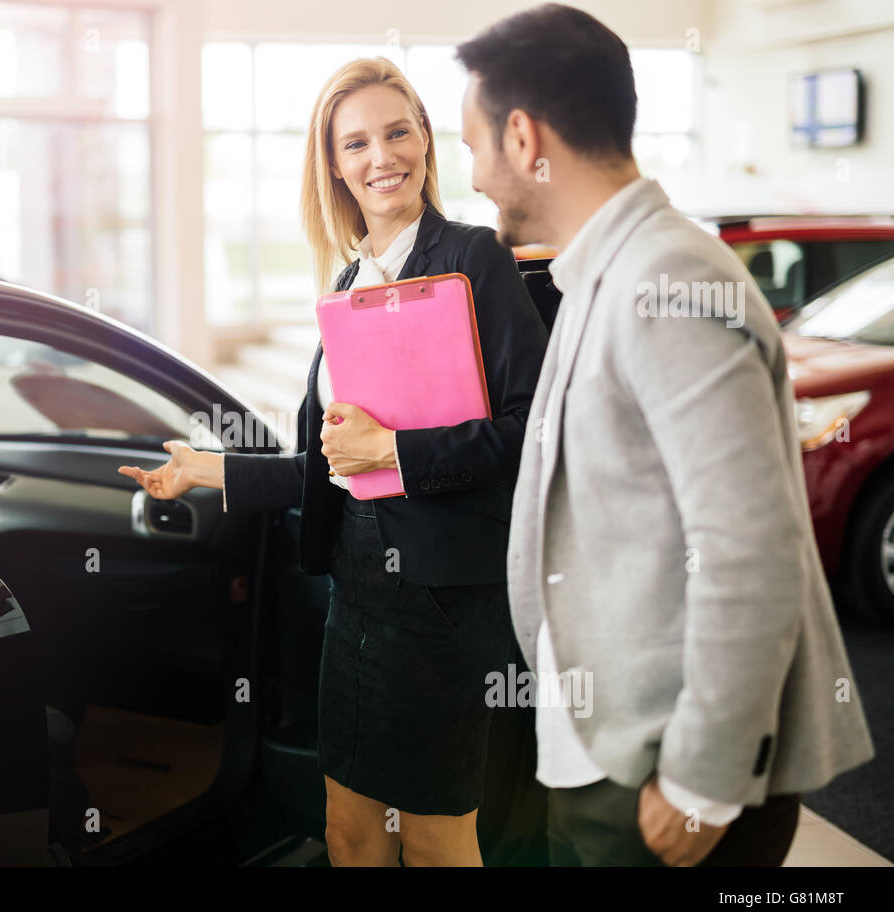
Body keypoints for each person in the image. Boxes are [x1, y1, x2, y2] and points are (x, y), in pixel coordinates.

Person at [455, 3, 875, 865]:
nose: (474, 178)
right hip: (611, 754)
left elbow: (748, 545)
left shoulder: (668, 279)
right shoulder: (605, 271)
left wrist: (700, 784)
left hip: (663, 778)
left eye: (473, 146)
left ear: (525, 136)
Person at [120, 57, 549, 866]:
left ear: (425, 139)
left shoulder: (474, 261)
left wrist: (397, 451)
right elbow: (328, 467)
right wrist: (204, 470)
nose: (380, 157)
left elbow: (534, 431)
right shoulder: (349, 286)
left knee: (431, 838)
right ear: (334, 164)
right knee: (350, 830)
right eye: (356, 143)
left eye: (397, 132)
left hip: (444, 601)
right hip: (355, 592)